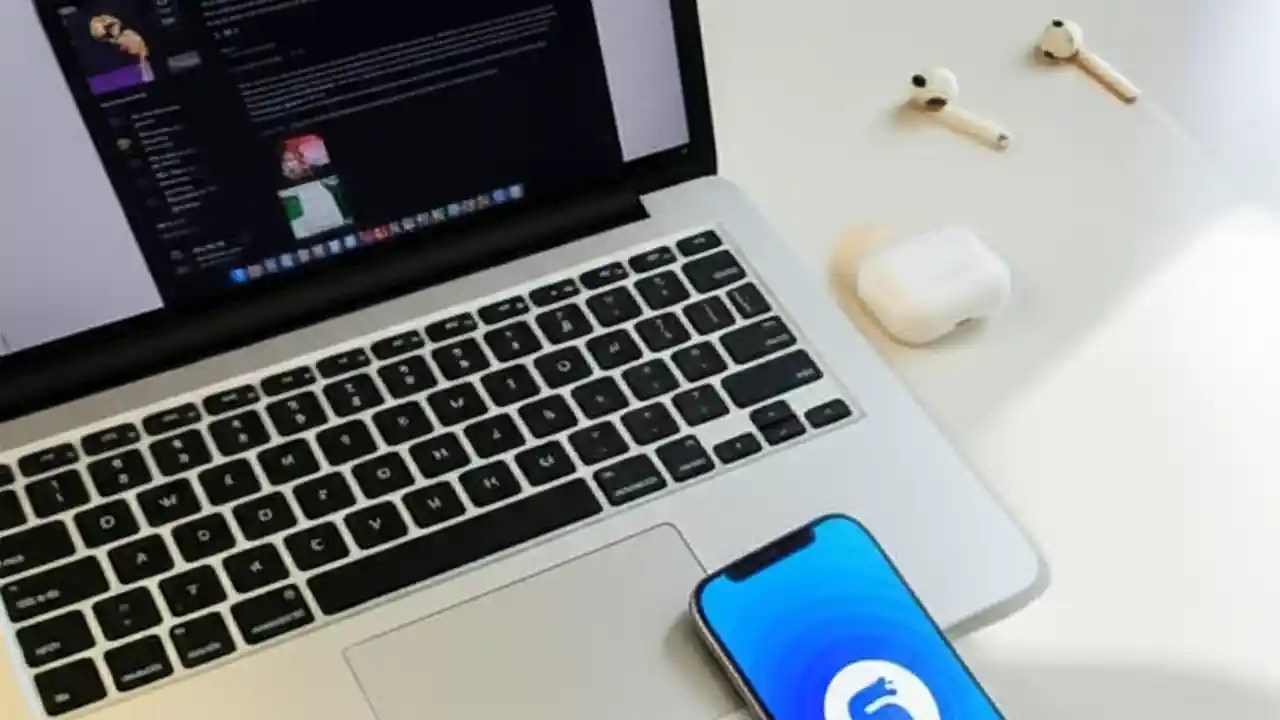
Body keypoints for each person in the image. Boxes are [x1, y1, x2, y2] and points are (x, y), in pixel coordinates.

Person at [89, 14, 153, 83]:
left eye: (111, 27)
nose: (111, 30)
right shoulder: (115, 42)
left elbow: (140, 48)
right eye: (108, 30)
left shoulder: (128, 35)